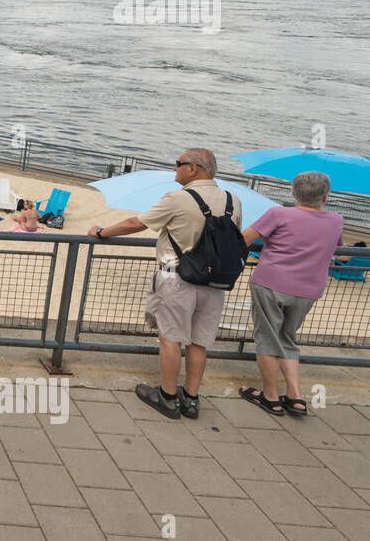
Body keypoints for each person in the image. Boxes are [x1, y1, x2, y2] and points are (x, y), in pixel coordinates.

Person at [88, 148, 243, 420]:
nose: (175, 169)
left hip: (178, 278)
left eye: (178, 164)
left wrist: (102, 232)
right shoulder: (233, 200)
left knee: (170, 338)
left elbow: (137, 222)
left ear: (193, 168)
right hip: (215, 282)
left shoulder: (179, 198)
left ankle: (168, 396)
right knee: (198, 343)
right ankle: (192, 399)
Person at [238, 172, 344, 417]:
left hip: (271, 283)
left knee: (267, 338)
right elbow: (339, 248)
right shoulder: (337, 220)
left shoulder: (278, 214)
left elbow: (244, 239)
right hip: (308, 289)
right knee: (287, 337)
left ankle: (271, 397)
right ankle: (295, 397)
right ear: (326, 196)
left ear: (294, 193)